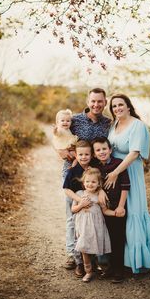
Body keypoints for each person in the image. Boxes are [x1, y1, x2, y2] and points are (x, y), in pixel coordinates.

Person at [105, 94, 150, 274]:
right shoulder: (114, 125)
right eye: (114, 106)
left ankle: (137, 260)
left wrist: (115, 173)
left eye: (121, 105)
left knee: (133, 212)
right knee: (118, 214)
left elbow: (134, 153)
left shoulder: (138, 126)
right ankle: (120, 259)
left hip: (129, 173)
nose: (117, 108)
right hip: (114, 174)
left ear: (129, 106)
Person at [59, 88, 111, 269]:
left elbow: (108, 148)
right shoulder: (75, 121)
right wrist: (66, 154)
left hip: (95, 177)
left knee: (94, 216)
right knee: (73, 216)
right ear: (88, 101)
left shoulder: (107, 123)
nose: (96, 104)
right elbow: (59, 139)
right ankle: (73, 256)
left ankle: (95, 254)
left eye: (100, 101)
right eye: (93, 101)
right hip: (73, 173)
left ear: (105, 102)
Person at [92, 137, 130, 283]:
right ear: (94, 154)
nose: (102, 152)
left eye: (104, 149)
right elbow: (93, 183)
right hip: (103, 209)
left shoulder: (118, 164)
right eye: (98, 150)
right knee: (105, 238)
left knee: (117, 238)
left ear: (110, 150)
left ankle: (119, 270)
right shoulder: (95, 167)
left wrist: (121, 206)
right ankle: (109, 268)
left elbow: (125, 186)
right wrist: (100, 190)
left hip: (117, 207)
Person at [71, 167, 114, 282]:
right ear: (83, 182)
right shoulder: (79, 194)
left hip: (97, 227)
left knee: (97, 247)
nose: (90, 184)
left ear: (99, 183)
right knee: (84, 249)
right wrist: (81, 204)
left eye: (93, 182)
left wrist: (116, 213)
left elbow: (105, 211)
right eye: (87, 181)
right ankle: (88, 271)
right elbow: (73, 209)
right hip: (83, 227)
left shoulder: (100, 196)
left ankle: (104, 267)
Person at [63, 140, 94, 277]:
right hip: (77, 203)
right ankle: (79, 262)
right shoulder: (73, 171)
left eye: (87, 154)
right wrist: (79, 200)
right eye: (80, 154)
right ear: (76, 155)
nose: (84, 157)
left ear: (91, 155)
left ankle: (93, 261)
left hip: (91, 206)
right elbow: (66, 189)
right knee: (77, 231)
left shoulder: (94, 169)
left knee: (89, 230)